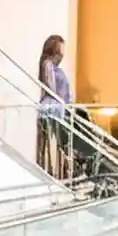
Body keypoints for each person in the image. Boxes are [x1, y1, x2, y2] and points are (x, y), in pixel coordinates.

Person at [36, 35, 73, 177]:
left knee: (59, 145)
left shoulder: (55, 67)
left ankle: (62, 171)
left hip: (58, 108)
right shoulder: (48, 64)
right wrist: (62, 103)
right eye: (60, 49)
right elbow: (50, 88)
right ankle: (55, 173)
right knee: (53, 145)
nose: (62, 54)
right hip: (53, 108)